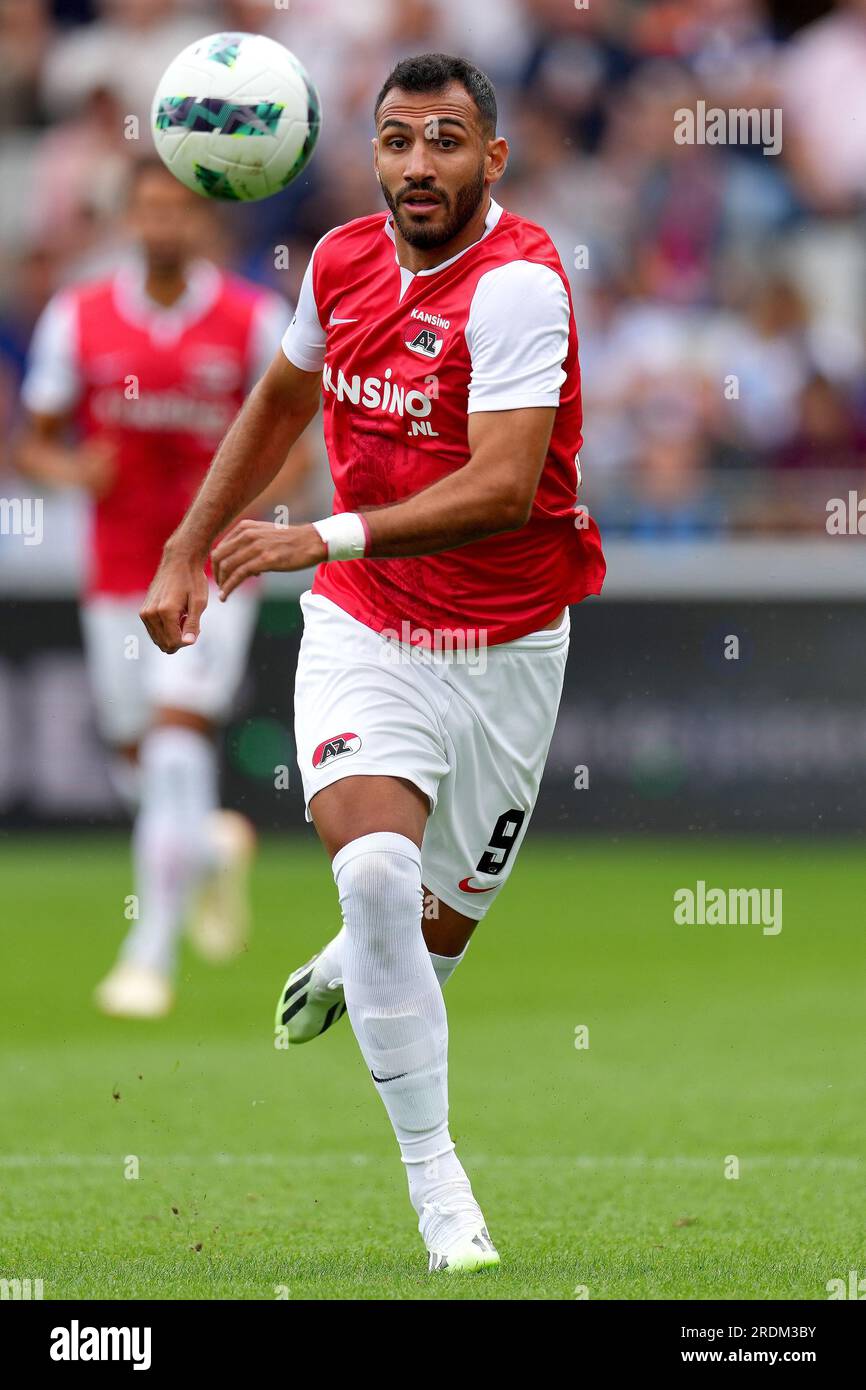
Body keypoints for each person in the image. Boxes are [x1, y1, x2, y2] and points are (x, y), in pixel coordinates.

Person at [139, 54, 605, 1272]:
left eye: (444, 142)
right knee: (379, 876)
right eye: (396, 140)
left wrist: (316, 531)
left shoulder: (517, 287)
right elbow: (284, 399)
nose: (416, 166)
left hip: (506, 642)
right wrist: (187, 546)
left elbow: (505, 488)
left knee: (428, 936)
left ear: (490, 160)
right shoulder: (340, 262)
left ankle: (359, 960)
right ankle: (441, 1195)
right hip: (366, 621)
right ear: (369, 153)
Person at [17, 158, 306, 1019]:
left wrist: (255, 515)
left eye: (179, 211)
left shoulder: (255, 319)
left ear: (205, 224)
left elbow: (297, 434)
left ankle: (148, 954)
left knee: (177, 740)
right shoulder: (80, 316)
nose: (163, 225)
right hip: (116, 568)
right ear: (127, 219)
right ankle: (211, 849)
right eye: (147, 210)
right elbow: (31, 442)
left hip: (212, 569)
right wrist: (72, 466)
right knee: (133, 751)